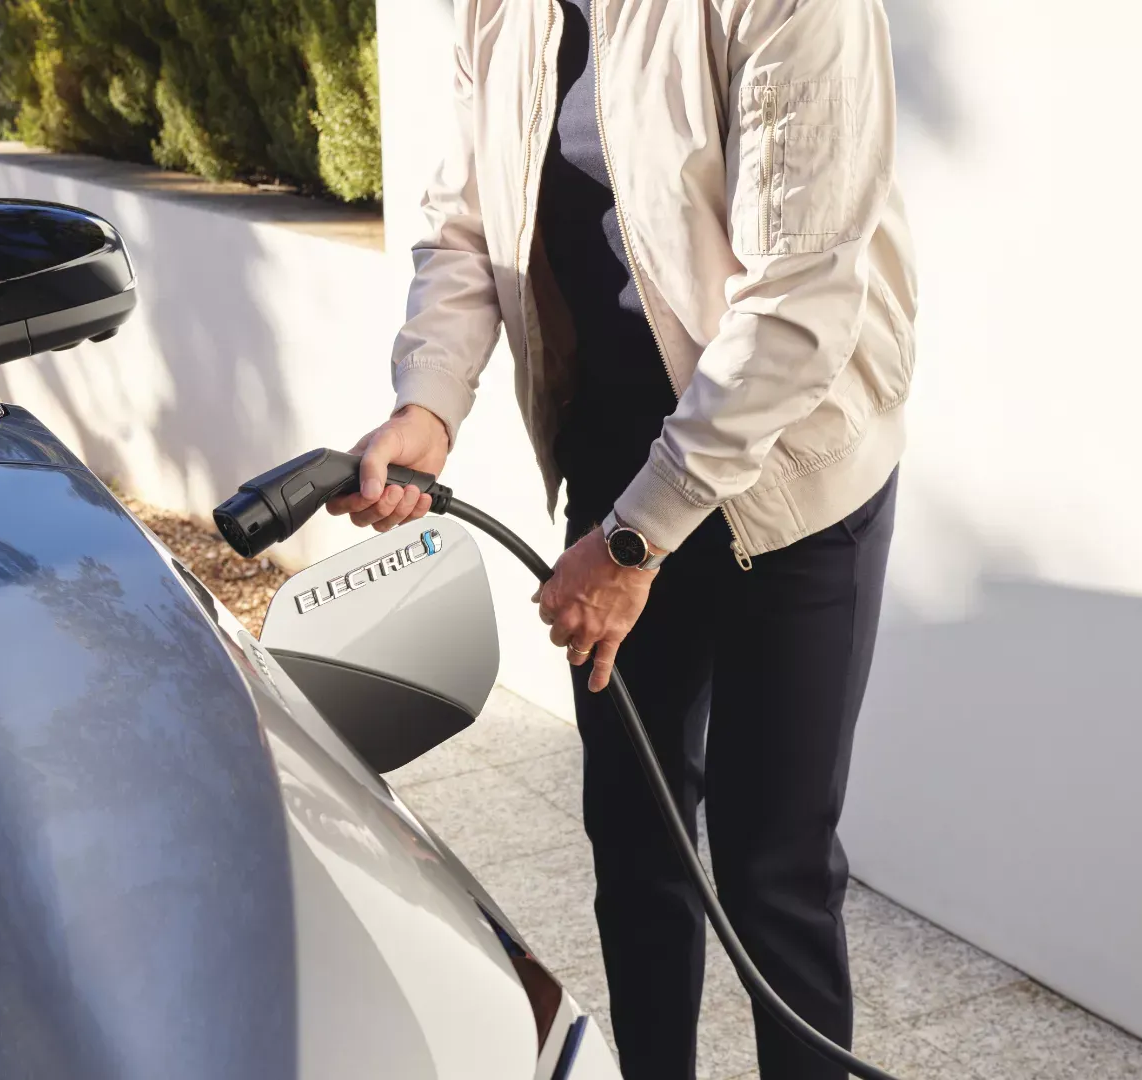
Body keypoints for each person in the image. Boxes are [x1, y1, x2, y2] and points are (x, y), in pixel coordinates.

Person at [328, 1, 916, 1077]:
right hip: (614, 468)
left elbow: (799, 302)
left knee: (769, 871)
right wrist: (429, 400)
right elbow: (466, 224)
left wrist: (634, 544)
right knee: (637, 844)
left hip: (787, 480)